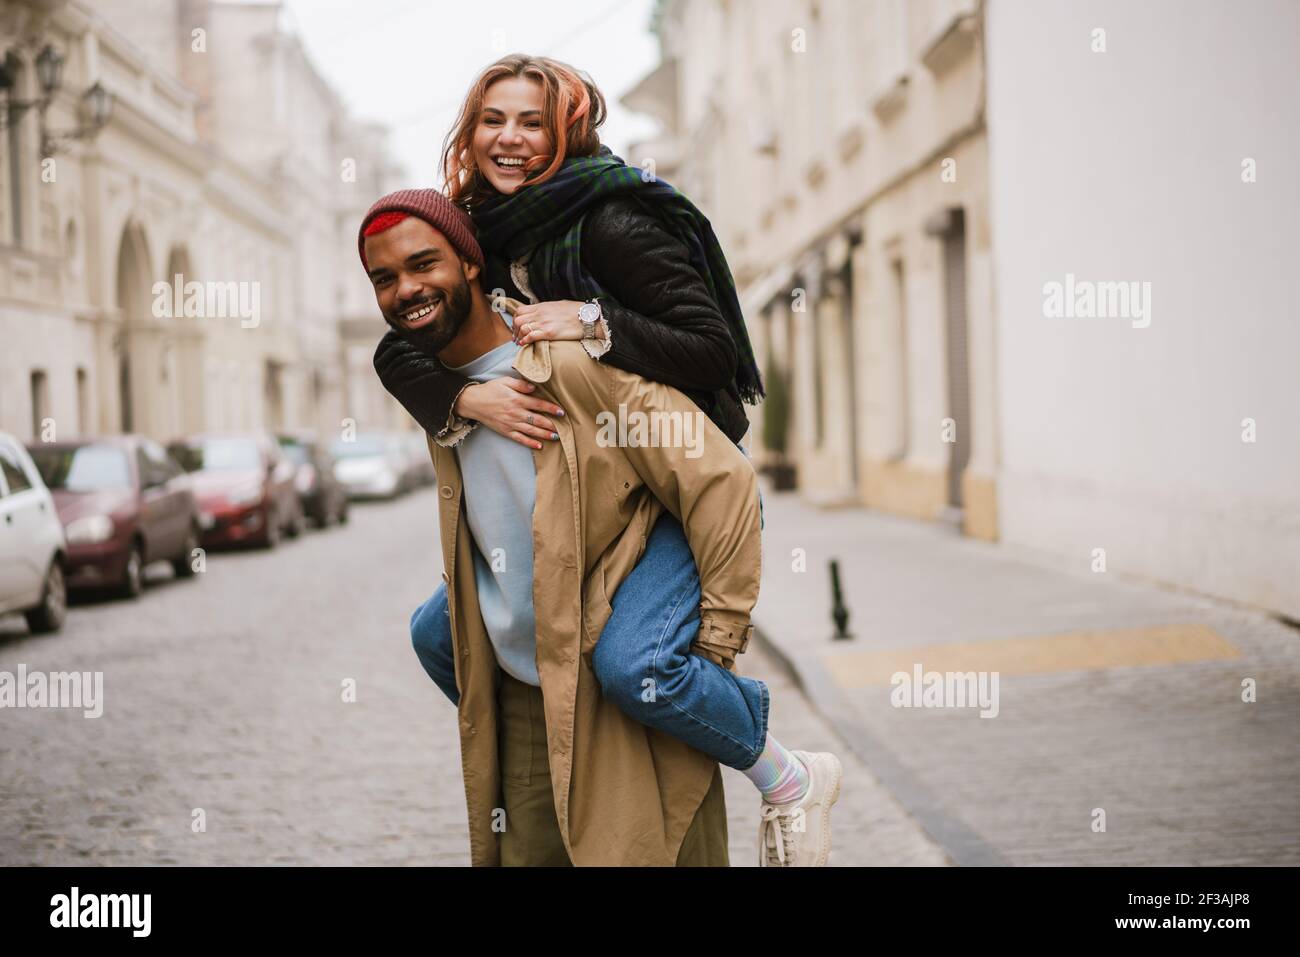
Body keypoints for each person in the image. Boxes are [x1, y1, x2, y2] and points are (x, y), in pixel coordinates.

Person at [372, 56, 842, 865]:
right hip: (599, 467)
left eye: (532, 121)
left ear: (568, 129)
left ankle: (786, 771)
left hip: (675, 480)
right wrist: (461, 399)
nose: (510, 139)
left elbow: (712, 349)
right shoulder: (483, 227)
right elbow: (403, 338)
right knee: (436, 632)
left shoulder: (611, 217)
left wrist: (593, 320)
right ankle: (562, 728)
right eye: (493, 120)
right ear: (469, 130)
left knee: (635, 667)